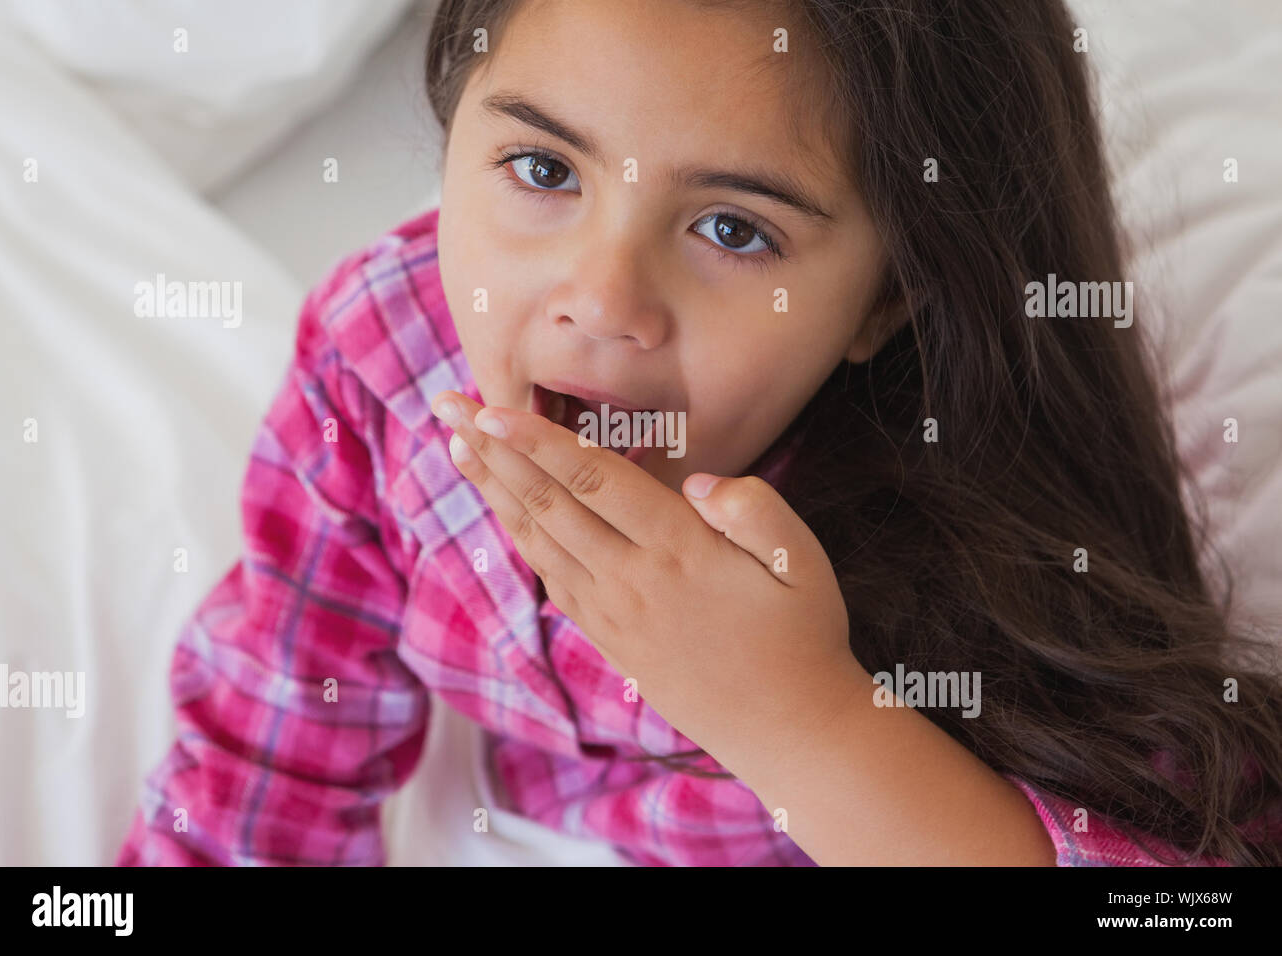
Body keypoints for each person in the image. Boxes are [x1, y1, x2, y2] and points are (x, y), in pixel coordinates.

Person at [117, 0, 1282, 866]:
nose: (603, 301)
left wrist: (798, 714)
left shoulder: (983, 539)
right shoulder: (383, 363)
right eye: (540, 168)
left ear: (888, 298)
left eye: (731, 229)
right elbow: (264, 757)